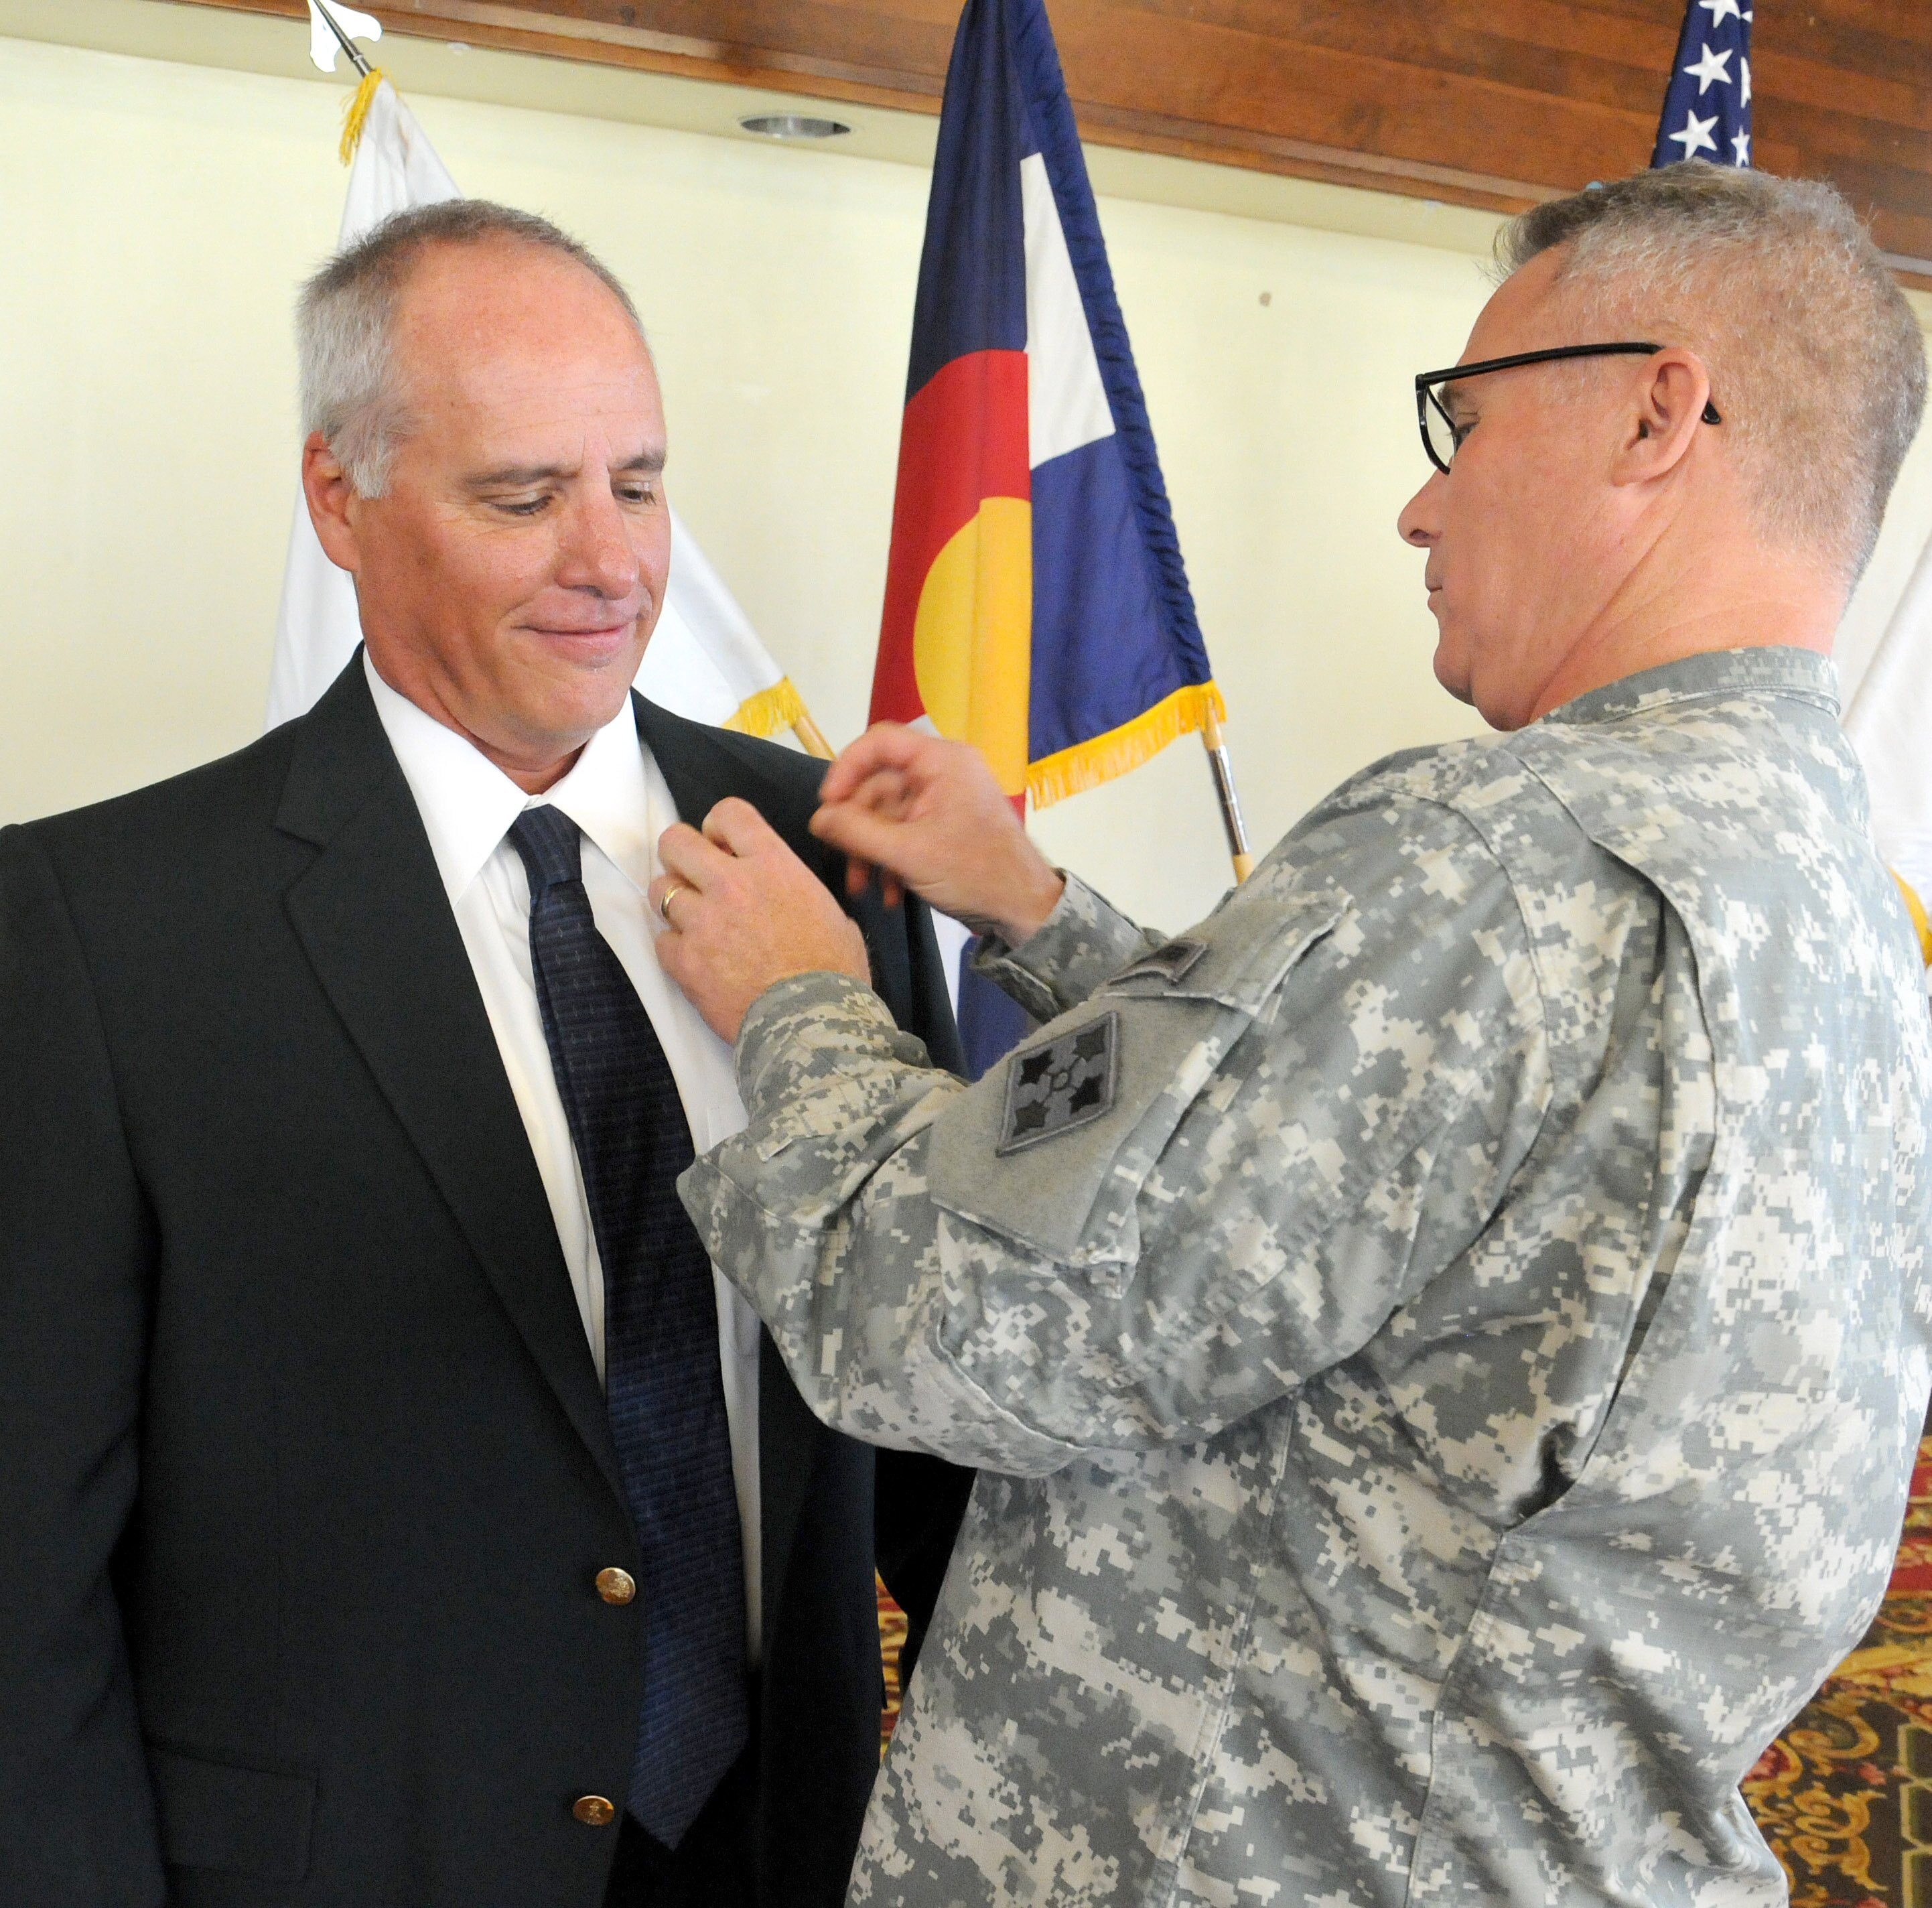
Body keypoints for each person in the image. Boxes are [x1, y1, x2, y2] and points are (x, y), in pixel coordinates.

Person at [643, 163, 1932, 1905]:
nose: (1420, 506)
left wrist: (795, 1003)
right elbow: (1356, 1165)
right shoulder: (1846, 910)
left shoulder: (1501, 850)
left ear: (1656, 414)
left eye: (1461, 424)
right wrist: (1032, 908)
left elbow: (942, 1324)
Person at [0, 200, 971, 1908]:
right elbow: (24, 1579)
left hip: (789, 1855)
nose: (611, 563)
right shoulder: (94, 925)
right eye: (523, 497)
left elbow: (933, 1423)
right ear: (339, 502)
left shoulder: (828, 854)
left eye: (640, 484)